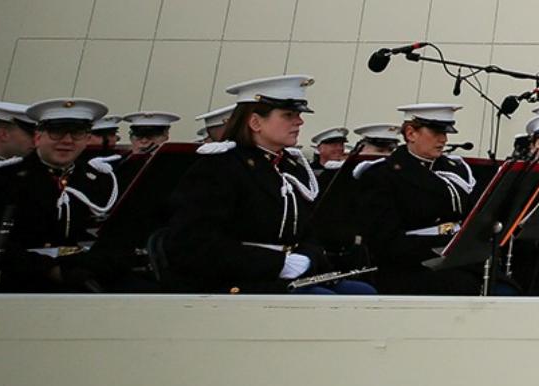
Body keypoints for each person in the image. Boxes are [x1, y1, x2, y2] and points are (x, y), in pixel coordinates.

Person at [162, 75, 372, 295]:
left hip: (283, 277)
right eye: (288, 115)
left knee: (361, 292)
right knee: (326, 301)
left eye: (298, 114)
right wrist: (278, 263)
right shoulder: (220, 167)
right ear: (255, 123)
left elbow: (308, 228)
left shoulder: (289, 166)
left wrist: (309, 257)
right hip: (240, 280)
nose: (299, 121)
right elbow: (192, 244)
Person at [351, 103, 487, 295]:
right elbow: (384, 240)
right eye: (435, 132)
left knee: (508, 288)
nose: (443, 139)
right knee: (463, 287)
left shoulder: (454, 168)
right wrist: (443, 248)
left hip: (458, 259)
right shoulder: (383, 174)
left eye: (445, 133)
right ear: (410, 133)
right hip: (412, 267)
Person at [0, 98, 120, 292]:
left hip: (86, 273)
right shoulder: (7, 179)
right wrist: (51, 269)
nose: (67, 141)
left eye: (77, 133)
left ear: (87, 139)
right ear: (38, 137)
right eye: (57, 132)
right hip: (24, 279)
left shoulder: (99, 179)